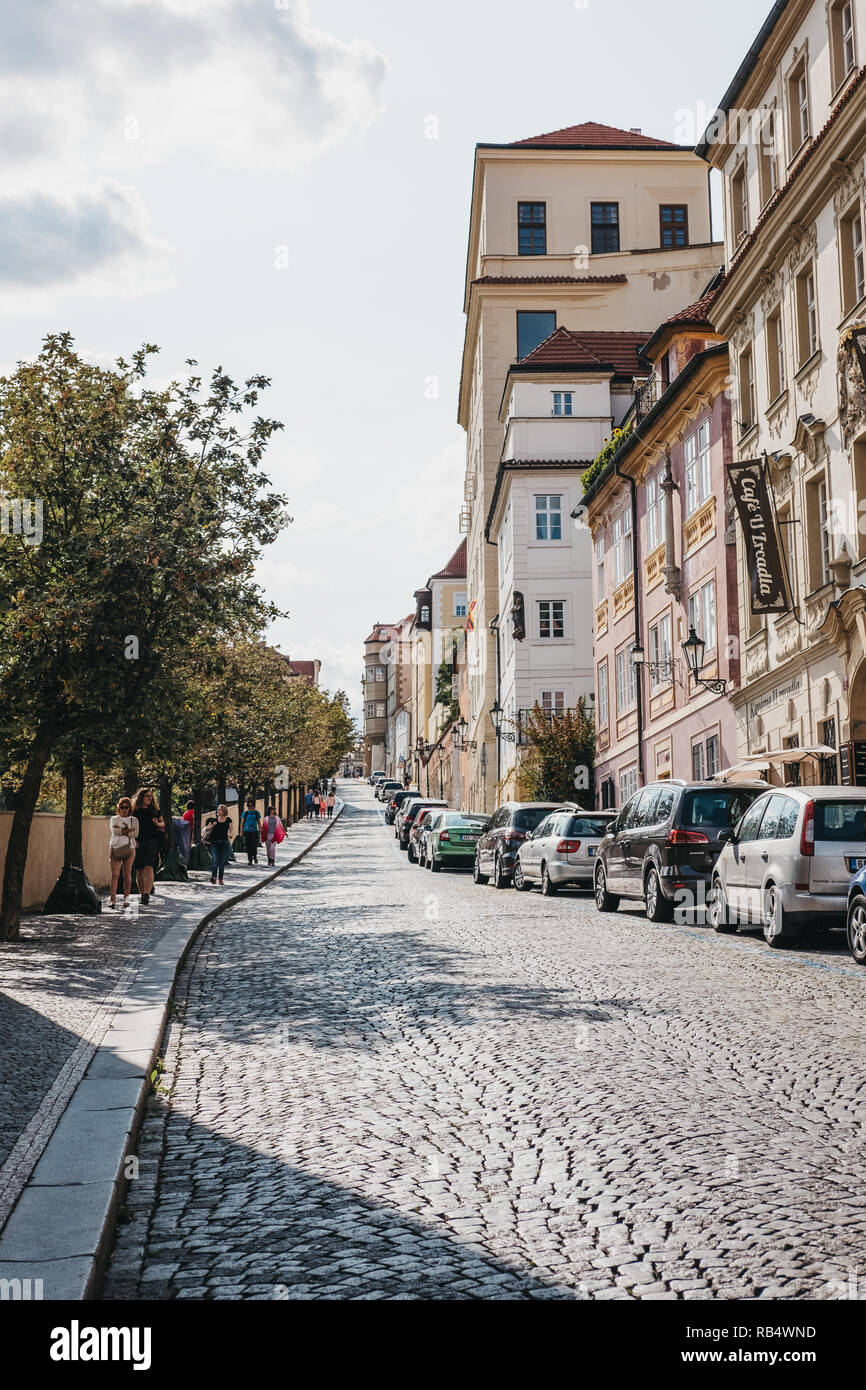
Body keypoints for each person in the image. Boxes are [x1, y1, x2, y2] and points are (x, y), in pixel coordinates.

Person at [132, 787, 165, 906]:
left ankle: (147, 894)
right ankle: (142, 894)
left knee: (149, 867)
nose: (150, 798)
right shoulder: (135, 810)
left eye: (151, 796)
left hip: (152, 841)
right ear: (141, 797)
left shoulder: (155, 810)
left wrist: (157, 823)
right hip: (138, 842)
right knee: (139, 870)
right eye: (147, 796)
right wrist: (133, 840)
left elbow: (163, 823)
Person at [108, 797, 138, 909]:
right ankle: (112, 900)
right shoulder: (114, 819)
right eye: (122, 807)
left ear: (130, 808)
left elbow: (135, 834)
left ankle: (126, 898)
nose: (124, 809)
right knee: (115, 875)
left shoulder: (134, 820)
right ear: (118, 808)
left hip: (129, 848)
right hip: (115, 848)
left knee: (127, 874)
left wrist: (122, 831)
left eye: (126, 807)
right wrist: (128, 830)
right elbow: (115, 831)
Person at [204, 804, 233, 885]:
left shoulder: (228, 820)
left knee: (222, 862)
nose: (218, 811)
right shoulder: (213, 820)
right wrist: (213, 825)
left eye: (220, 809)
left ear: (224, 811)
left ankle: (220, 879)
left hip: (225, 844)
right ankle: (213, 877)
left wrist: (231, 834)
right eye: (218, 809)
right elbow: (206, 829)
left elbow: (231, 829)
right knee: (215, 860)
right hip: (214, 844)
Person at [240, 798, 262, 864]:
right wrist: (241, 831)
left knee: (254, 845)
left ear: (254, 806)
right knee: (248, 845)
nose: (250, 807)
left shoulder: (256, 813)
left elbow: (259, 822)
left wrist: (260, 828)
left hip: (254, 831)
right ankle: (250, 860)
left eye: (251, 805)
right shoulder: (245, 813)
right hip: (246, 831)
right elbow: (242, 823)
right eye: (249, 806)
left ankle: (254, 856)